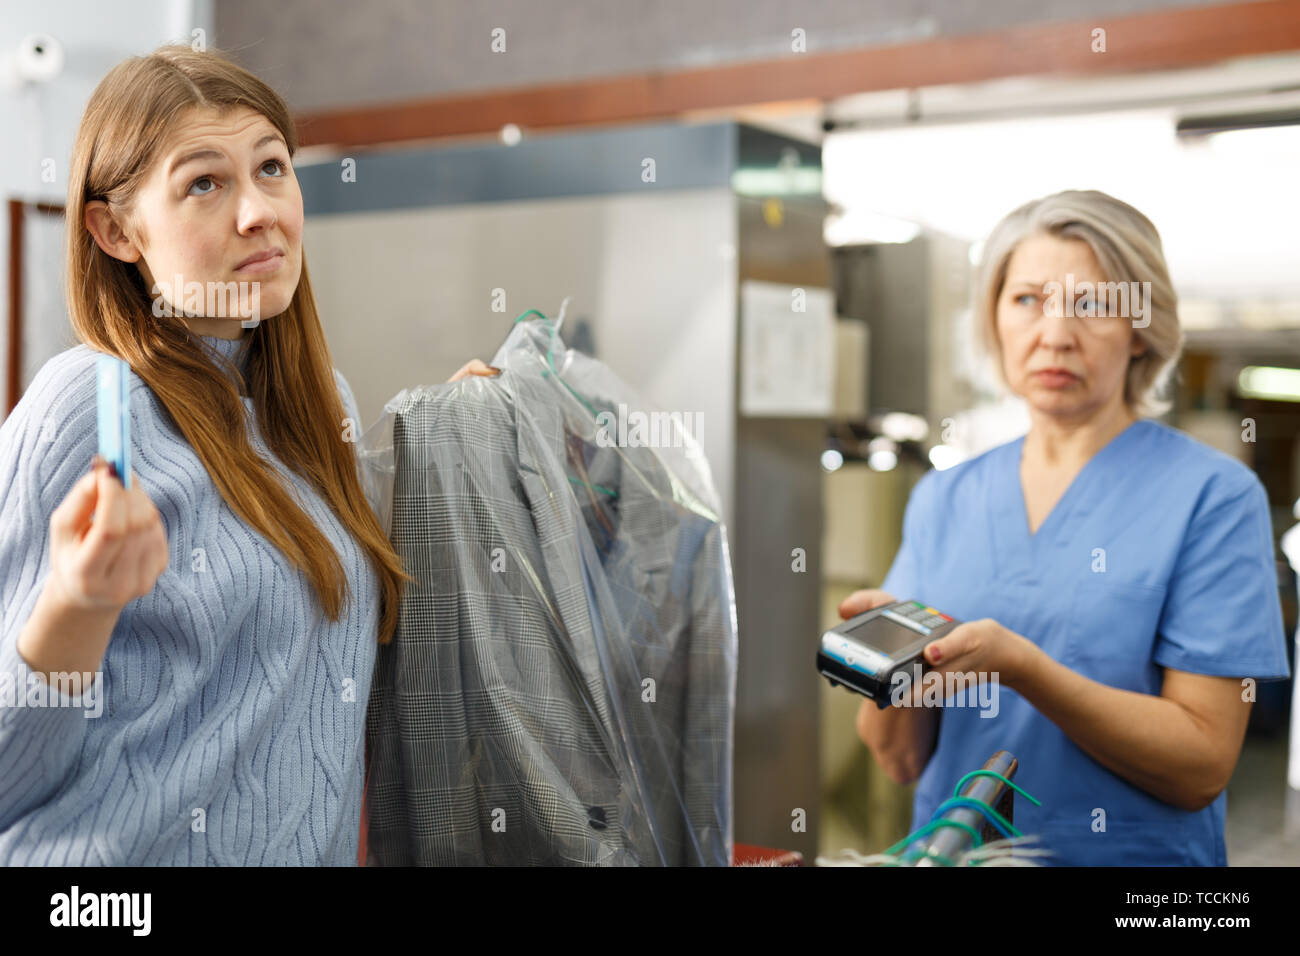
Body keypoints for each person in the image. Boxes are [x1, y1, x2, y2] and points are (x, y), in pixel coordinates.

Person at [0, 45, 494, 865]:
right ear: (116, 230)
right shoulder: (87, 408)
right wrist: (74, 612)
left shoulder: (314, 404)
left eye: (272, 167)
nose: (259, 211)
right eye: (204, 182)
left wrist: (448, 441)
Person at [844, 189, 1290, 866]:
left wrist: (1023, 668)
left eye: (1091, 304)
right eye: (1026, 300)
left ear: (1140, 327)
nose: (1054, 333)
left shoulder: (1214, 497)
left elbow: (1201, 765)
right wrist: (885, 662)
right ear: (993, 317)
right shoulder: (944, 497)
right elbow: (899, 757)